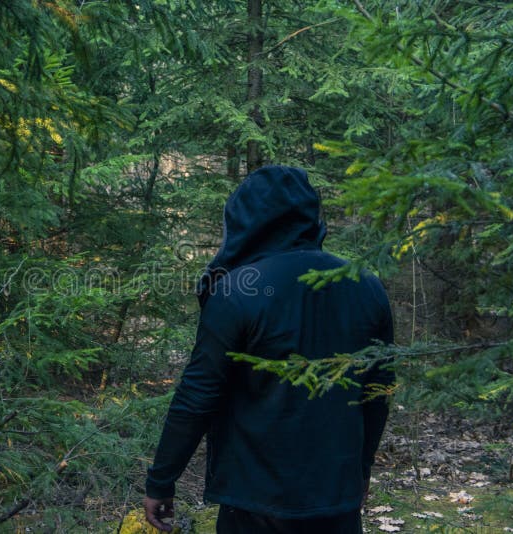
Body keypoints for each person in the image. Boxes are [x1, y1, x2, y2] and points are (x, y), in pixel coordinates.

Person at [144, 165, 394, 533]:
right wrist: (361, 469)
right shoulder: (366, 285)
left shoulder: (236, 290)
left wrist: (161, 482)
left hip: (254, 500)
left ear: (245, 218)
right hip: (334, 496)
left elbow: (196, 396)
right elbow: (378, 392)